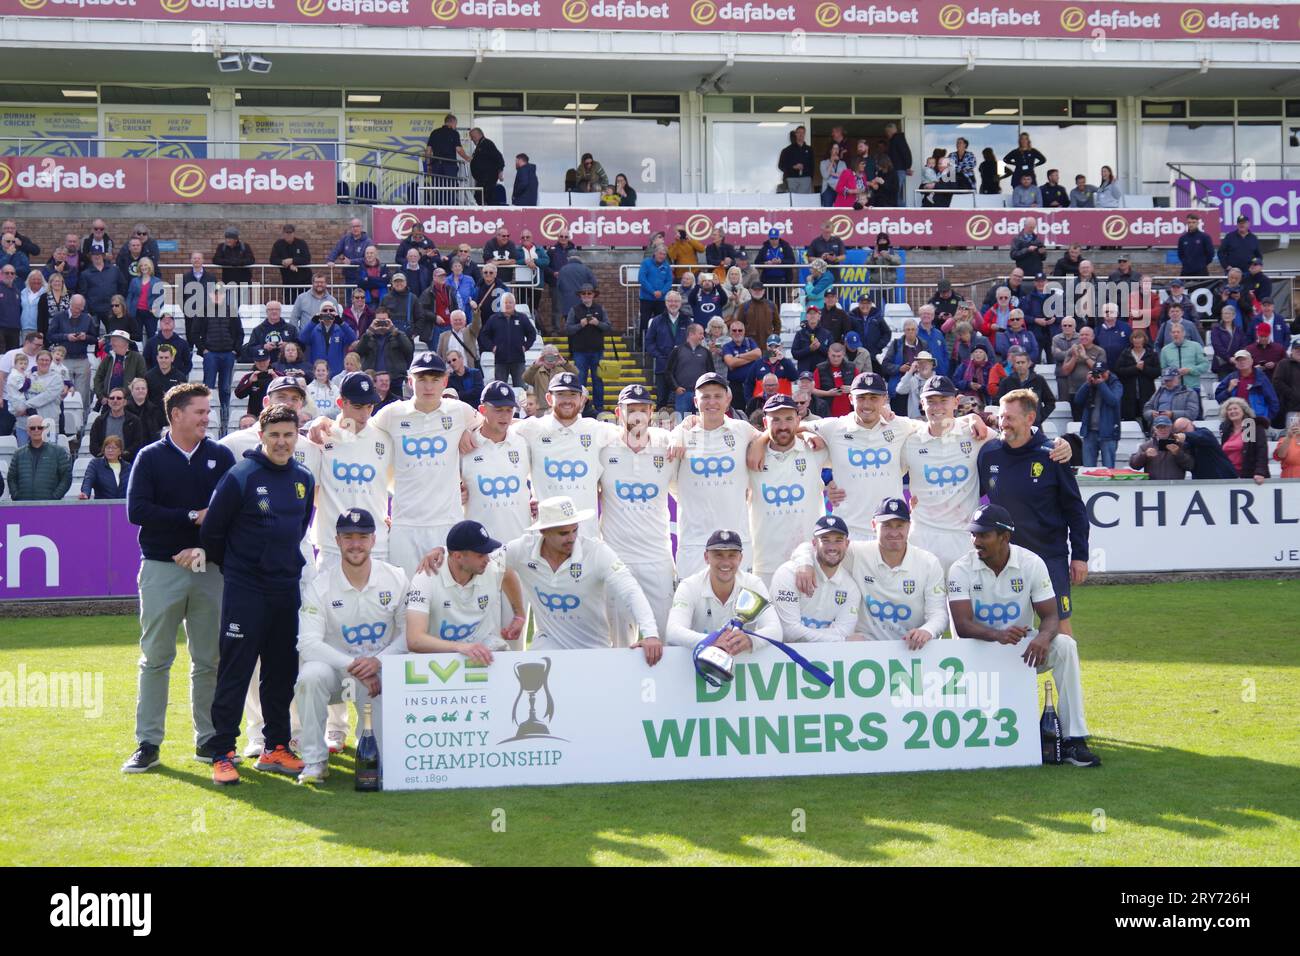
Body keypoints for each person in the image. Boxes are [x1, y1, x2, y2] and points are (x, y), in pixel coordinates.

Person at [121, 383, 235, 773]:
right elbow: (136, 510)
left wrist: (203, 544)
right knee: (155, 659)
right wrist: (191, 517)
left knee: (209, 661)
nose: (208, 418)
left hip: (210, 571)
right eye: (201, 412)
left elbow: (228, 514)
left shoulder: (220, 456)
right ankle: (148, 743)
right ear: (176, 415)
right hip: (160, 569)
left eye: (208, 411)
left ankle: (208, 741)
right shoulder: (150, 457)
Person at [201, 404, 316, 786]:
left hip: (286, 589)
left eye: (288, 435)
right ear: (262, 436)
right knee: (236, 669)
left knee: (282, 671)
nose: (282, 442)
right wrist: (241, 568)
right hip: (246, 589)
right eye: (275, 435)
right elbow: (213, 532)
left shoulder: (303, 477)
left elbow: (300, 527)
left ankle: (276, 747)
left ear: (296, 436)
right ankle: (222, 751)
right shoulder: (241, 476)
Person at [947, 503, 1100, 767]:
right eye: (973, 534)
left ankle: (1074, 740)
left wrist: (1042, 637)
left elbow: (1051, 616)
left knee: (1064, 645)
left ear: (1005, 537)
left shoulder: (1031, 563)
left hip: (1021, 651)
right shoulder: (960, 568)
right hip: (976, 652)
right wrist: (997, 635)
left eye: (984, 535)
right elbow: (962, 625)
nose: (976, 541)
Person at [294, 508, 414, 784]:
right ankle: (314, 762)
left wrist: (379, 661)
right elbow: (308, 643)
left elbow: (410, 634)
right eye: (348, 537)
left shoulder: (395, 578)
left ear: (374, 539)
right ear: (337, 540)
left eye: (362, 537)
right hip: (338, 671)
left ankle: (374, 752)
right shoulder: (320, 585)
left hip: (378, 671)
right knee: (310, 676)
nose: (355, 544)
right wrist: (353, 666)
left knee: (382, 764)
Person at [492, 496, 663, 662]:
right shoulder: (522, 549)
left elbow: (630, 589)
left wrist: (651, 634)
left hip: (593, 648)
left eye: (575, 530)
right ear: (543, 531)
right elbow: (483, 565)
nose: (572, 538)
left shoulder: (597, 552)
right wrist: (519, 614)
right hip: (548, 642)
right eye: (563, 533)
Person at [789, 499, 946, 646]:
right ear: (873, 525)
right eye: (886, 525)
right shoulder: (859, 553)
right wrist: (804, 564)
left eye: (900, 525)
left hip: (910, 646)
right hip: (864, 648)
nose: (893, 532)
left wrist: (927, 631)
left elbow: (938, 613)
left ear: (909, 526)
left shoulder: (928, 563)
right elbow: (809, 547)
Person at [594, 384, 679, 643]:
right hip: (617, 558)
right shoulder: (603, 449)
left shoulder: (667, 448)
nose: (637, 415)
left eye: (643, 409)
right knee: (620, 641)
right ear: (619, 412)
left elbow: (689, 489)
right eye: (631, 409)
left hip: (658, 558)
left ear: (652, 412)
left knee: (666, 637)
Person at [668, 373, 761, 576]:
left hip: (737, 540)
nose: (712, 402)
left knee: (740, 606)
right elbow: (670, 482)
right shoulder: (681, 436)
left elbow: (773, 441)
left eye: (718, 396)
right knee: (692, 605)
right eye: (706, 396)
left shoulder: (743, 430)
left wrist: (759, 443)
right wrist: (677, 432)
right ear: (695, 401)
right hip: (694, 544)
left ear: (728, 400)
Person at [307, 371, 394, 570]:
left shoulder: (385, 439)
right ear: (340, 403)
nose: (365, 414)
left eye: (369, 406)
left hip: (376, 546)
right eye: (357, 406)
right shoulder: (322, 436)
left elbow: (402, 484)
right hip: (332, 546)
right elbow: (313, 492)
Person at [744, 394, 830, 586]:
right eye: (775, 420)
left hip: (808, 561)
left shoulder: (815, 449)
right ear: (765, 422)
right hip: (764, 563)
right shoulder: (751, 456)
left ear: (799, 420)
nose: (783, 426)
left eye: (789, 419)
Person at [665, 528, 781, 655]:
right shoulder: (689, 586)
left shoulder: (753, 584)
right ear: (706, 557)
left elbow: (776, 630)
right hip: (697, 666)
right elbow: (672, 631)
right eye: (718, 555)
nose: (725, 562)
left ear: (740, 558)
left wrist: (750, 639)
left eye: (732, 555)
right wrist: (711, 640)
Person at [460, 380, 534, 544]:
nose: (505, 416)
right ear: (482, 410)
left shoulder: (524, 442)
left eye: (509, 410)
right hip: (479, 549)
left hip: (521, 545)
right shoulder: (465, 445)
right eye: (498, 410)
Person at [768, 515, 860, 642]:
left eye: (838, 540)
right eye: (825, 540)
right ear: (814, 543)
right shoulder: (788, 573)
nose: (832, 547)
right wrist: (840, 640)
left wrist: (802, 631)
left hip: (827, 659)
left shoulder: (851, 587)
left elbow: (845, 631)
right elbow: (788, 632)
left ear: (847, 543)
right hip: (780, 658)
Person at [564, 284, 611, 411]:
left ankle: (599, 408)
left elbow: (608, 326)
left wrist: (598, 323)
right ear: (580, 296)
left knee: (598, 381)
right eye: (583, 294)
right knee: (580, 381)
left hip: (597, 351)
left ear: (593, 295)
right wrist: (580, 324)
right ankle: (580, 408)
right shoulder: (574, 309)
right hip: (580, 352)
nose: (586, 296)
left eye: (589, 293)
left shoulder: (600, 309)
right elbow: (568, 329)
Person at [6, 415, 71, 500]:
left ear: (44, 429)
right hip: (23, 507)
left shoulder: (58, 452)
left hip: (49, 507)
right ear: (27, 431)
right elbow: (11, 478)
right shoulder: (18, 454)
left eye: (39, 427)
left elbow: (66, 477)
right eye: (32, 428)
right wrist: (16, 496)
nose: (36, 430)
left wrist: (55, 497)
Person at [479, 293, 536, 387]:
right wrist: (492, 347)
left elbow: (532, 334)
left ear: (514, 304)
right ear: (501, 304)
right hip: (500, 361)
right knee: (500, 389)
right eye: (505, 302)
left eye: (510, 302)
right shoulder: (494, 319)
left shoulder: (522, 318)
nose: (508, 305)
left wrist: (525, 346)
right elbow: (484, 335)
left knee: (521, 388)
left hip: (518, 360)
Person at [1073, 360, 1122, 467]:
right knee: (1088, 469)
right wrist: (1087, 384)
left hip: (1108, 433)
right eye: (1097, 372)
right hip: (1090, 432)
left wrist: (1101, 384)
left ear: (1108, 372)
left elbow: (1113, 401)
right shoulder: (1090, 385)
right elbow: (1077, 400)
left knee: (1108, 470)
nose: (1100, 375)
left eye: (1102, 372)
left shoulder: (1116, 384)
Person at [1215, 349, 1280, 423]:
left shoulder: (1261, 377)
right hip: (1236, 421)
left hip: (1257, 420)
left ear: (1251, 361)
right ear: (1236, 363)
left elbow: (1273, 400)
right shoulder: (1231, 377)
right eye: (1239, 360)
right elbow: (1218, 398)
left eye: (1244, 359)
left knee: (1250, 434)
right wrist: (1229, 390)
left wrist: (1266, 418)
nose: (1242, 362)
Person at [1218, 396, 1270, 484]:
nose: (1232, 411)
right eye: (1229, 410)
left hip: (1249, 475)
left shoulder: (1249, 426)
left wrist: (1260, 472)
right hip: (1230, 475)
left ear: (1243, 411)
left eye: (1235, 408)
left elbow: (1261, 450)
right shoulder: (1226, 430)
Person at [1114, 328, 1160, 423]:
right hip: (1129, 393)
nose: (1137, 340)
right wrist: (1135, 368)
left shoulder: (1151, 354)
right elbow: (1119, 371)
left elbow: (1157, 372)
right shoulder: (1125, 353)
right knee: (1130, 418)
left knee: (1147, 418)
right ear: (1131, 339)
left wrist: (1144, 368)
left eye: (1139, 337)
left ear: (1144, 339)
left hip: (1147, 392)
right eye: (1135, 337)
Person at [93, 329, 147, 409]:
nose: (111, 343)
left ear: (125, 343)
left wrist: (128, 399)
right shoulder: (108, 358)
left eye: (115, 340)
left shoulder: (137, 358)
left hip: (129, 405)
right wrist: (101, 396)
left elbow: (141, 379)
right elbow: (98, 378)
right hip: (109, 402)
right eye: (111, 340)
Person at [667, 323, 713, 417]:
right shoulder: (678, 351)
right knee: (683, 424)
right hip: (683, 394)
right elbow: (668, 371)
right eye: (700, 334)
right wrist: (676, 388)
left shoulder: (706, 352)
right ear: (691, 334)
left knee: (701, 424)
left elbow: (711, 373)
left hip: (701, 394)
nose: (702, 337)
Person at [302, 301, 356, 379]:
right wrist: (312, 322)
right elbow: (302, 338)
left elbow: (353, 338)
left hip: (336, 374)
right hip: (318, 373)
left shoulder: (341, 329)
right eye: (325, 311)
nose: (328, 313)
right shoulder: (314, 329)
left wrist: (341, 323)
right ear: (320, 313)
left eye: (331, 310)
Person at [1128, 415, 1192, 479]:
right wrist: (1145, 455)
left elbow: (1190, 466)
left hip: (1175, 486)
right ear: (1154, 429)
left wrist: (1178, 453)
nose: (1163, 430)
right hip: (1154, 487)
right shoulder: (1146, 446)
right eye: (1159, 427)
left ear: (1171, 428)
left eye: (1165, 427)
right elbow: (1134, 465)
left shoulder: (1181, 445)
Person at [90, 384, 144, 460]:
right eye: (112, 398)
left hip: (128, 464)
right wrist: (106, 455)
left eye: (119, 398)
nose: (115, 400)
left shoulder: (134, 421)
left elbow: (137, 443)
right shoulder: (99, 421)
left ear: (125, 402)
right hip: (104, 464)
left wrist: (122, 456)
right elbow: (93, 445)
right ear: (108, 402)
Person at [1172, 416, 1237, 479]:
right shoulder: (1184, 444)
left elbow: (1200, 437)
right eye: (1180, 431)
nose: (1183, 432)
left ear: (1191, 423)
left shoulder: (1205, 432)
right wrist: (1178, 452)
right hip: (1202, 481)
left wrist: (1185, 436)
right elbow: (1190, 465)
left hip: (1223, 476)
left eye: (1184, 428)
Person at [79, 433, 131, 500]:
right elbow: (88, 480)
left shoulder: (128, 467)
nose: (110, 450)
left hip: (123, 506)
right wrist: (85, 493)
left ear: (120, 451)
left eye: (114, 448)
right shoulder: (95, 464)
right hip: (102, 507)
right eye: (108, 447)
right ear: (104, 450)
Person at [791, 306, 832, 376]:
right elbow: (795, 354)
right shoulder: (800, 334)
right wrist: (809, 349)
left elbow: (831, 354)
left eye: (815, 313)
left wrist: (819, 347)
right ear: (806, 317)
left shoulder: (827, 334)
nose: (812, 316)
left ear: (819, 316)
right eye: (810, 313)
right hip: (804, 374)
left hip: (822, 373)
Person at [145, 344, 186, 409]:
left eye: (166, 357)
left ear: (172, 358)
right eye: (161, 357)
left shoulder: (180, 377)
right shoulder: (148, 376)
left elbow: (183, 400)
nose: (163, 360)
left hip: (172, 415)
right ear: (157, 358)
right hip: (153, 415)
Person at [883, 121, 912, 206]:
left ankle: (902, 211)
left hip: (899, 170)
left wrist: (907, 166)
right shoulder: (895, 140)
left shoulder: (898, 138)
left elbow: (906, 153)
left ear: (891, 130)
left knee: (895, 192)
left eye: (887, 132)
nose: (887, 134)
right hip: (897, 170)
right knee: (896, 192)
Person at [778, 125, 814, 194]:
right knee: (792, 202)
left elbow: (812, 166)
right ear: (796, 134)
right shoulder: (786, 150)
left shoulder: (810, 150)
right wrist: (793, 167)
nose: (801, 134)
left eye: (803, 133)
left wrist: (810, 178)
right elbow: (781, 165)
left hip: (806, 179)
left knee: (804, 202)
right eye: (799, 132)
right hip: (791, 178)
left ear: (805, 134)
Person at [1178, 212, 1215, 277]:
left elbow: (1210, 254)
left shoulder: (1205, 237)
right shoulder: (1182, 238)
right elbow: (1180, 254)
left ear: (1198, 223)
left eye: (1193, 222)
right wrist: (1186, 263)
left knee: (1202, 287)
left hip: (1201, 271)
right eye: (1189, 222)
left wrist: (1202, 264)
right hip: (1186, 271)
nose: (1191, 224)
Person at [1275, 337, 1300, 419]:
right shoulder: (1284, 363)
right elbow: (1277, 382)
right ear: (1292, 350)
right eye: (1297, 348)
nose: (1299, 351)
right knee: (1293, 431)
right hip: (1289, 409)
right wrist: (1293, 395)